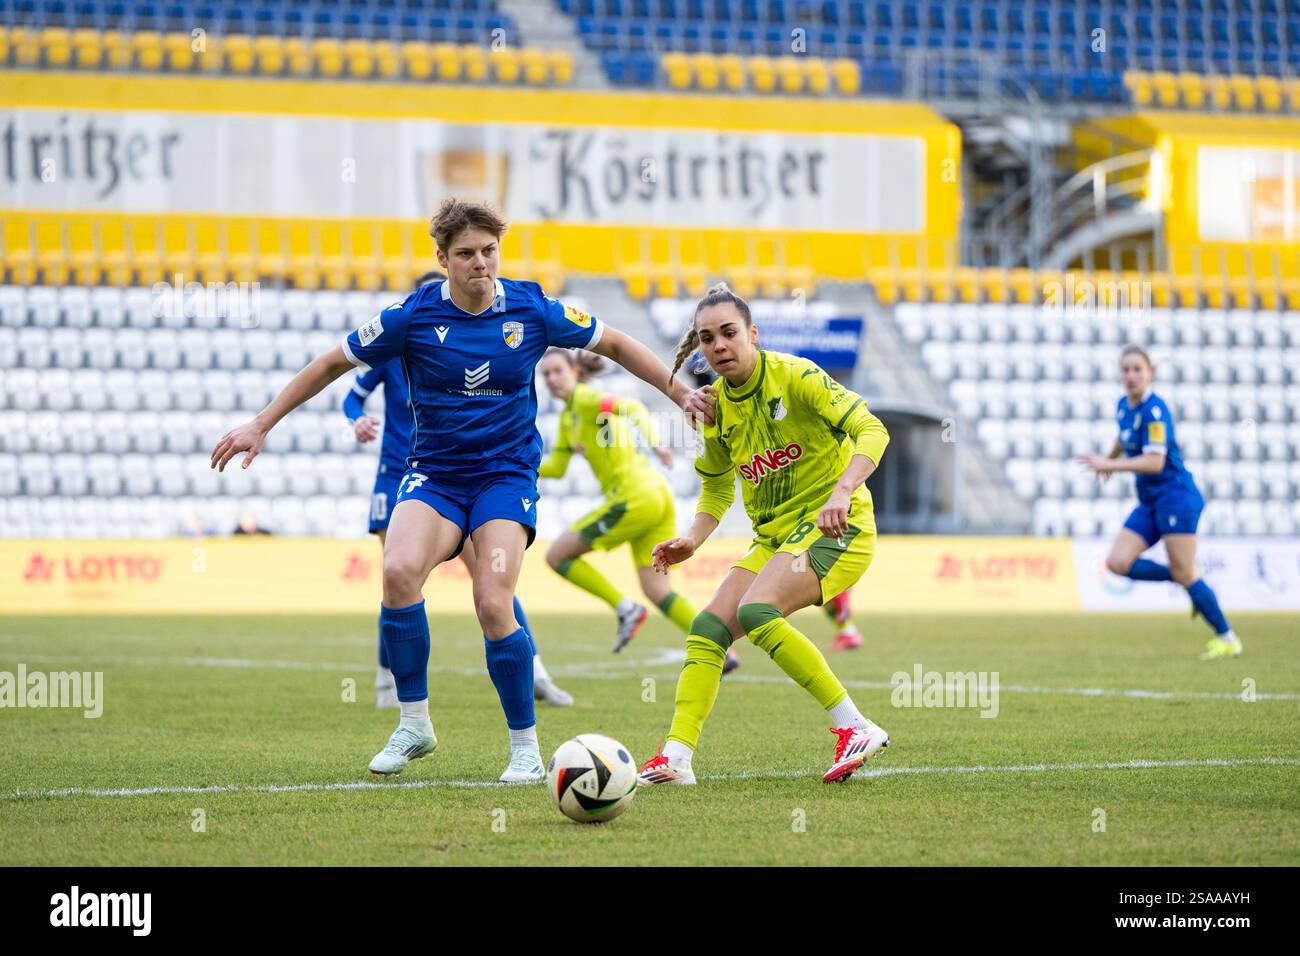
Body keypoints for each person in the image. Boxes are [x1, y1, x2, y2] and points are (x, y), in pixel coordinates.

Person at [212, 199, 710, 783]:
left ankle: (524, 747)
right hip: (435, 475)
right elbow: (330, 365)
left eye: (489, 251)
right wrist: (262, 422)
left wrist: (678, 394)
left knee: (493, 601)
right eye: (467, 254)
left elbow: (617, 344)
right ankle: (414, 723)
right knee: (398, 572)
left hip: (504, 477)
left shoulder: (531, 307)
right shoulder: (411, 316)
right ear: (443, 258)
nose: (481, 263)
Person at [637, 282, 892, 787]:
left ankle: (854, 726)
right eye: (708, 339)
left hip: (839, 526)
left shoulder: (796, 377)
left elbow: (873, 430)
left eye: (729, 333)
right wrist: (693, 538)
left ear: (752, 333)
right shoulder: (713, 409)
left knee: (756, 613)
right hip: (778, 538)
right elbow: (715, 487)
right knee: (708, 630)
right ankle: (677, 758)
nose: (719, 347)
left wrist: (842, 491)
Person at [345, 271, 573, 709]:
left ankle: (536, 672)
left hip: (466, 473)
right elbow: (351, 393)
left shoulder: (491, 329)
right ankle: (386, 681)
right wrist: (356, 418)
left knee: (489, 585)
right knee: (397, 574)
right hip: (404, 470)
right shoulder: (398, 345)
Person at [537, 348, 743, 671]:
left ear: (574, 372)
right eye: (545, 374)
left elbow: (631, 407)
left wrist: (656, 443)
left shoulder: (587, 400)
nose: (551, 380)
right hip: (656, 496)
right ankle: (721, 649)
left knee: (556, 556)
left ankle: (624, 607)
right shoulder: (568, 419)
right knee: (657, 590)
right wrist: (520, 464)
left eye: (557, 371)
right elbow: (559, 467)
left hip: (632, 498)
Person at [1079, 344, 1241, 660]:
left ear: (1150, 373)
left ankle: (1227, 638)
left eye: (1137, 369)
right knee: (1118, 563)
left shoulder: (1155, 410)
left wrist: (1110, 466)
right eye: (1125, 369)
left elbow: (1155, 461)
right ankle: (1187, 580)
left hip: (1176, 497)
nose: (1131, 375)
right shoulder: (1124, 406)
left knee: (1186, 572)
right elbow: (1123, 437)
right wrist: (1110, 457)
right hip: (1151, 501)